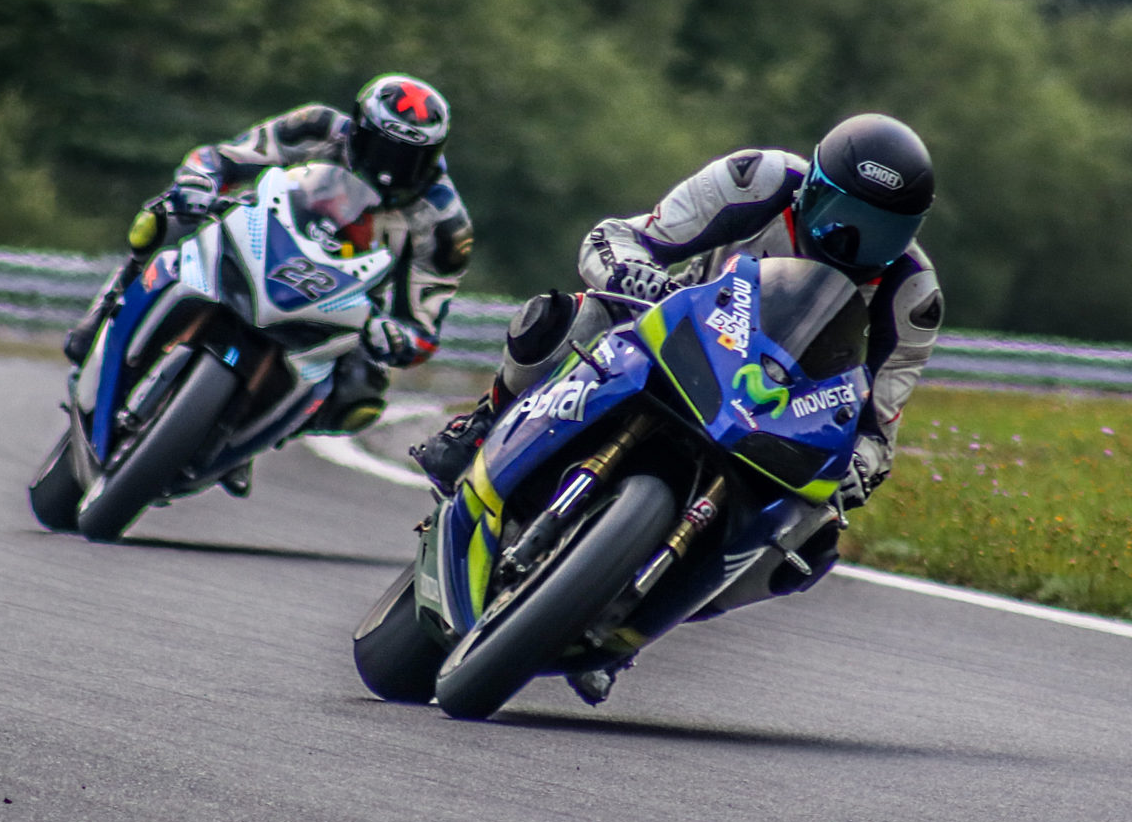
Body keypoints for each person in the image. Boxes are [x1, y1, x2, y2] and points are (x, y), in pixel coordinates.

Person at [413, 113, 942, 695]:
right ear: (813, 187)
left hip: (774, 411)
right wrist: (632, 270)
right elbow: (621, 235)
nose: (854, 243)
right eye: (844, 218)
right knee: (569, 315)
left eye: (883, 233)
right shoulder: (758, 180)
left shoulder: (911, 294)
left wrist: (858, 471)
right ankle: (482, 424)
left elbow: (881, 419)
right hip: (679, 334)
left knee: (812, 540)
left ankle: (635, 617)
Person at [64, 75, 473, 475]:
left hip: (341, 300)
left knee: (359, 398)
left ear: (434, 154)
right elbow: (225, 156)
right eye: (383, 148)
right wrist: (198, 183)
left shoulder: (445, 222)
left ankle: (250, 435)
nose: (390, 167)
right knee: (162, 220)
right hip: (261, 237)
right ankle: (102, 311)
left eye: (408, 156)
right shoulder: (316, 126)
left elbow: (425, 318)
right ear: (359, 128)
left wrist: (401, 337)